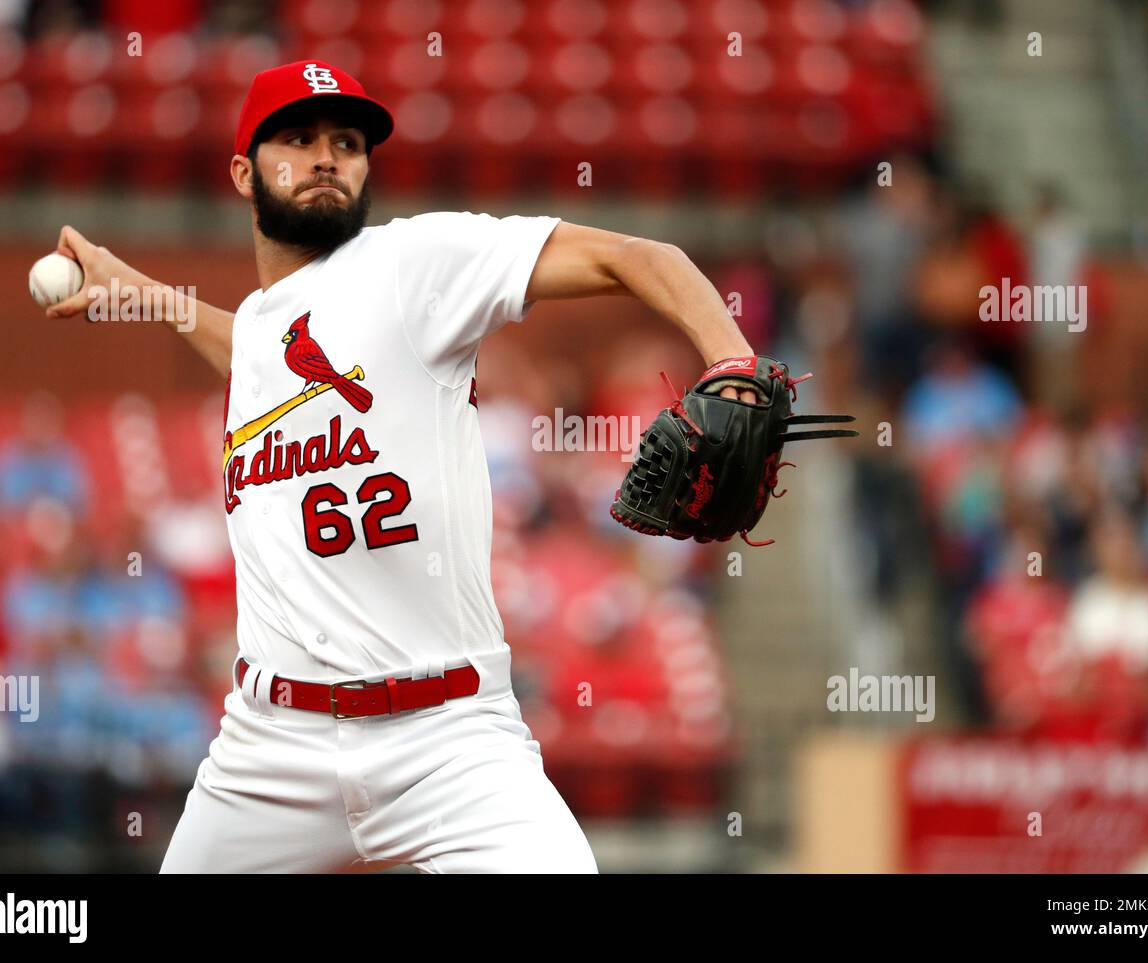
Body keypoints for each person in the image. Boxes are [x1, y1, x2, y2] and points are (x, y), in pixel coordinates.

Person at [43, 60, 759, 873]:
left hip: (447, 735)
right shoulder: (263, 332)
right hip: (270, 747)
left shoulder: (415, 265)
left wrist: (731, 358)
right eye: (298, 138)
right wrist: (138, 291)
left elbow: (637, 255)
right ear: (243, 173)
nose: (324, 156)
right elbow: (250, 348)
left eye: (347, 142)